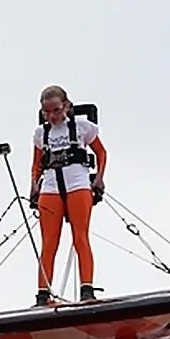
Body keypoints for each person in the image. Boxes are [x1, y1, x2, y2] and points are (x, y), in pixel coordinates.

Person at [28, 85, 107, 305]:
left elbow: (101, 153)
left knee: (80, 237)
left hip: (78, 185)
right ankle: (43, 294)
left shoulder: (82, 127)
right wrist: (34, 184)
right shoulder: (41, 133)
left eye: (56, 110)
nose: (52, 116)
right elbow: (36, 164)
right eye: (47, 112)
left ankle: (87, 290)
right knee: (49, 243)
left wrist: (99, 178)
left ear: (66, 106)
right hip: (51, 187)